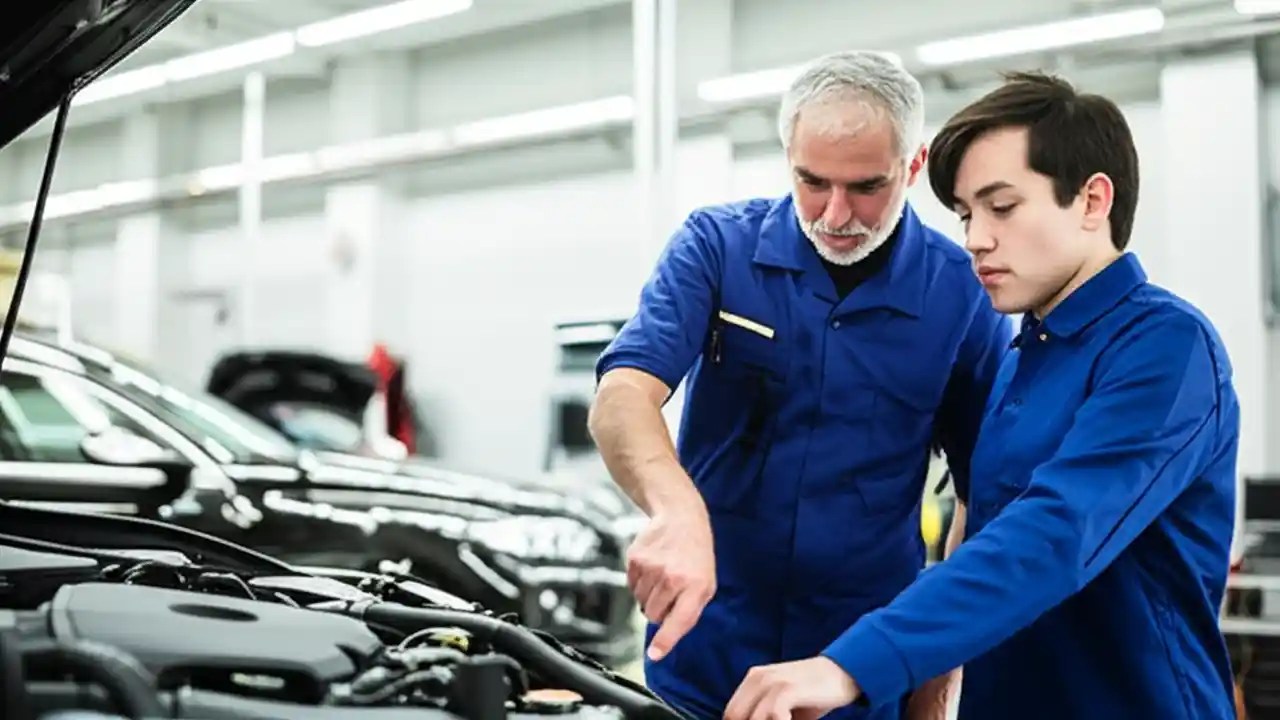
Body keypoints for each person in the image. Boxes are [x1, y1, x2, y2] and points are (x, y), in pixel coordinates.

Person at [723, 71, 1241, 720]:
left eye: (1001, 207)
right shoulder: (1025, 354)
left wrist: (853, 663)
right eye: (967, 215)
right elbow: (978, 532)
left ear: (1091, 200)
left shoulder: (1167, 348)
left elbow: (1056, 530)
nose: (975, 239)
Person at [588, 50, 1012, 720]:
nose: (836, 214)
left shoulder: (962, 295)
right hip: (704, 654)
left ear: (912, 165)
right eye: (812, 181)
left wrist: (933, 691)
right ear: (788, 154)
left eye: (867, 187)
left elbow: (981, 494)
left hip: (857, 668)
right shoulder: (716, 248)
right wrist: (676, 511)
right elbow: (622, 396)